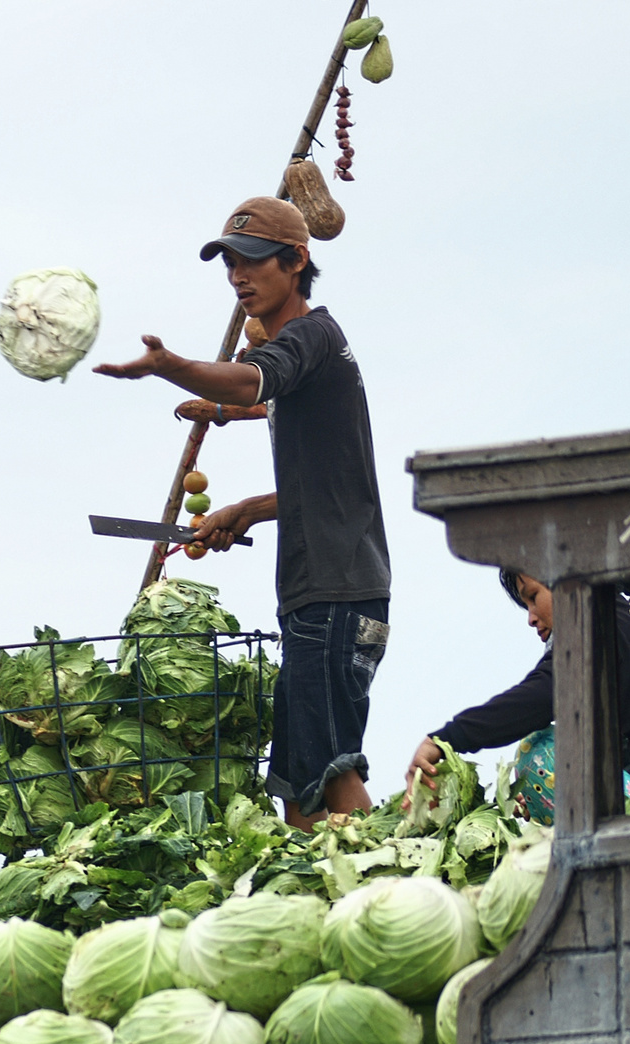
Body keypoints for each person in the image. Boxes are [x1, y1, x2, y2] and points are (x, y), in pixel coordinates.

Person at [94, 196, 391, 829]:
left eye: (253, 262)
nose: (239, 277)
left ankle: (385, 892)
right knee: (300, 788)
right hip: (327, 590)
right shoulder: (313, 354)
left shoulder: (309, 337)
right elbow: (328, 483)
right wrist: (249, 509)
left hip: (336, 594)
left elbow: (252, 381)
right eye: (231, 264)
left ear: (296, 262)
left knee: (329, 777)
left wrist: (169, 367)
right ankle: (324, 906)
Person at [405, 570, 630, 821]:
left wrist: (444, 739)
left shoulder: (596, 624)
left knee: (539, 753)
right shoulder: (629, 620)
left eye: (533, 597)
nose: (530, 617)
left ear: (570, 581)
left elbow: (539, 698)